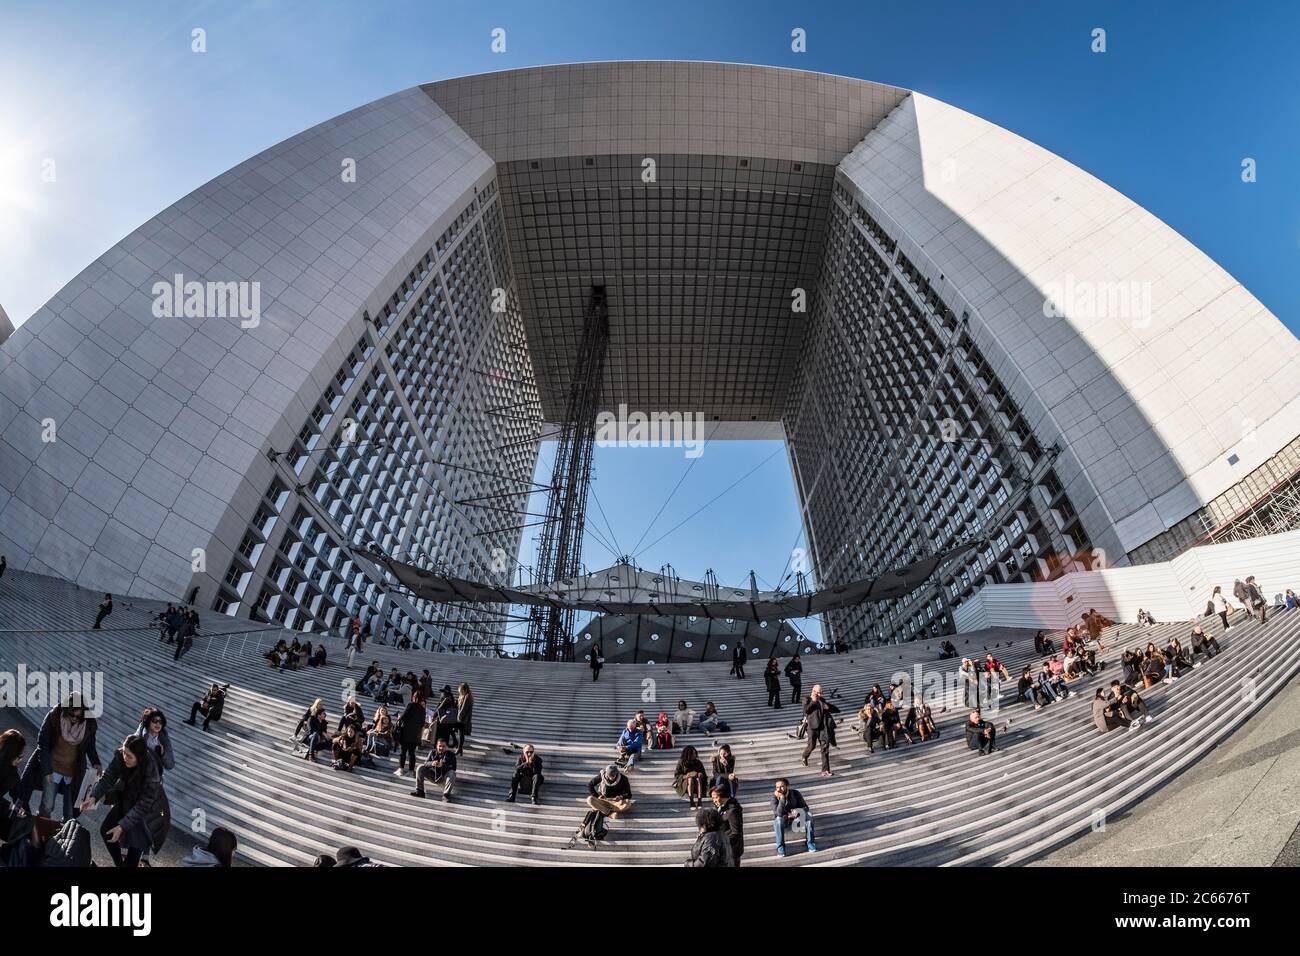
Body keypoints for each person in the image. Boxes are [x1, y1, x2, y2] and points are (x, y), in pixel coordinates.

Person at [79, 735, 170, 868]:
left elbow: (143, 806)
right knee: (107, 830)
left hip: (148, 811)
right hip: (128, 798)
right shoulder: (121, 756)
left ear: (139, 758)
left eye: (129, 756)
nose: (125, 758)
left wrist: (121, 826)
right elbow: (108, 777)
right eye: (124, 753)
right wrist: (93, 797)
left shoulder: (151, 772)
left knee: (136, 846)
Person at [19, 693, 102, 821]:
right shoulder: (55, 716)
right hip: (52, 769)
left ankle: (63, 837)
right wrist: (46, 771)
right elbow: (43, 743)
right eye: (71, 714)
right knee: (47, 807)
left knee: (70, 811)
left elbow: (90, 748)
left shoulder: (89, 724)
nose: (74, 718)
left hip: (74, 773)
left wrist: (96, 763)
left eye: (78, 716)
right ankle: (41, 835)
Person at [771, 777, 816, 857]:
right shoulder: (774, 797)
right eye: (777, 787)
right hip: (784, 822)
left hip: (797, 820)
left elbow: (805, 807)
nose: (779, 789)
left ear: (787, 786)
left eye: (782, 786)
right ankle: (780, 847)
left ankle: (810, 843)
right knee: (778, 820)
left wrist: (797, 811)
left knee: (809, 815)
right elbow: (778, 813)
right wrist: (782, 799)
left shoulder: (795, 793)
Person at [801, 683, 839, 776]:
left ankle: (825, 770)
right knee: (812, 746)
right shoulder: (807, 699)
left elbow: (835, 709)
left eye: (821, 692)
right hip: (812, 727)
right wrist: (813, 701)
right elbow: (806, 710)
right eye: (818, 693)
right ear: (813, 691)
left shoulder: (822, 700)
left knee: (825, 749)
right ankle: (804, 756)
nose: (820, 695)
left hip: (823, 727)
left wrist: (828, 707)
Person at [135, 707, 175, 780]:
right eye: (154, 721)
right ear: (147, 721)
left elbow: (170, 765)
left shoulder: (164, 740)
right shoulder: (138, 737)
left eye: (160, 721)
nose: (158, 724)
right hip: (136, 776)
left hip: (153, 781)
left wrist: (163, 753)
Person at [0, 729, 25, 843]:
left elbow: (18, 792)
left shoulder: (11, 770)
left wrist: (23, 809)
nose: (21, 759)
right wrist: (10, 806)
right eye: (19, 755)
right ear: (12, 753)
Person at [711, 783, 744, 866]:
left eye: (716, 797)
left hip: (732, 851)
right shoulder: (719, 809)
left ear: (723, 796)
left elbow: (736, 833)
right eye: (713, 798)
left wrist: (723, 843)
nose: (714, 800)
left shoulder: (732, 811)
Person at [394, 694, 426, 777]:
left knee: (403, 752)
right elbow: (422, 723)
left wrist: (399, 717)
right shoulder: (423, 709)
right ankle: (411, 771)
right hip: (415, 735)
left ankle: (401, 769)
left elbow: (404, 717)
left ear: (414, 698)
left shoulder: (410, 705)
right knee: (412, 753)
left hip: (406, 733)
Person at [454, 682, 474, 756]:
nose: (458, 690)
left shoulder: (468, 696)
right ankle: (459, 749)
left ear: (463, 689)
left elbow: (464, 709)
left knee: (460, 734)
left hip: (463, 719)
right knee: (460, 734)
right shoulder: (464, 696)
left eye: (460, 689)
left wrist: (459, 717)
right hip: (462, 718)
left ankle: (459, 748)